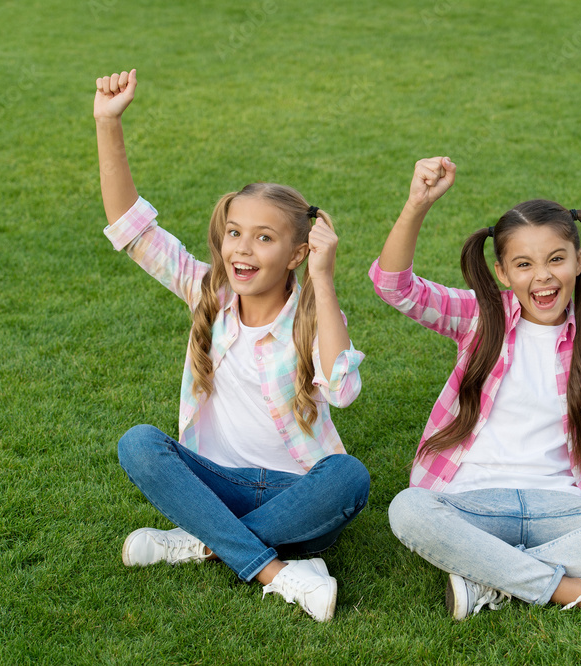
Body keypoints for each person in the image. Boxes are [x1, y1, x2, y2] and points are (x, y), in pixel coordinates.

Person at [369, 156, 581, 620]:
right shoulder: (481, 317)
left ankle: (490, 578)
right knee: (408, 509)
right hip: (472, 505)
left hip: (560, 511)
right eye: (524, 264)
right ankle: (570, 588)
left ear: (579, 262)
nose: (542, 276)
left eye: (556, 260)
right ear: (503, 273)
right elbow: (394, 286)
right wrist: (416, 204)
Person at [94, 69, 369, 622]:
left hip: (298, 497)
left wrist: (325, 277)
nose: (243, 249)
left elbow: (342, 390)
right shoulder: (208, 295)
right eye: (236, 232)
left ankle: (200, 543)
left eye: (265, 238)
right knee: (139, 444)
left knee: (350, 477)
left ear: (296, 254)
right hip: (220, 487)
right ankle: (274, 570)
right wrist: (108, 123)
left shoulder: (314, 314)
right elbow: (132, 228)